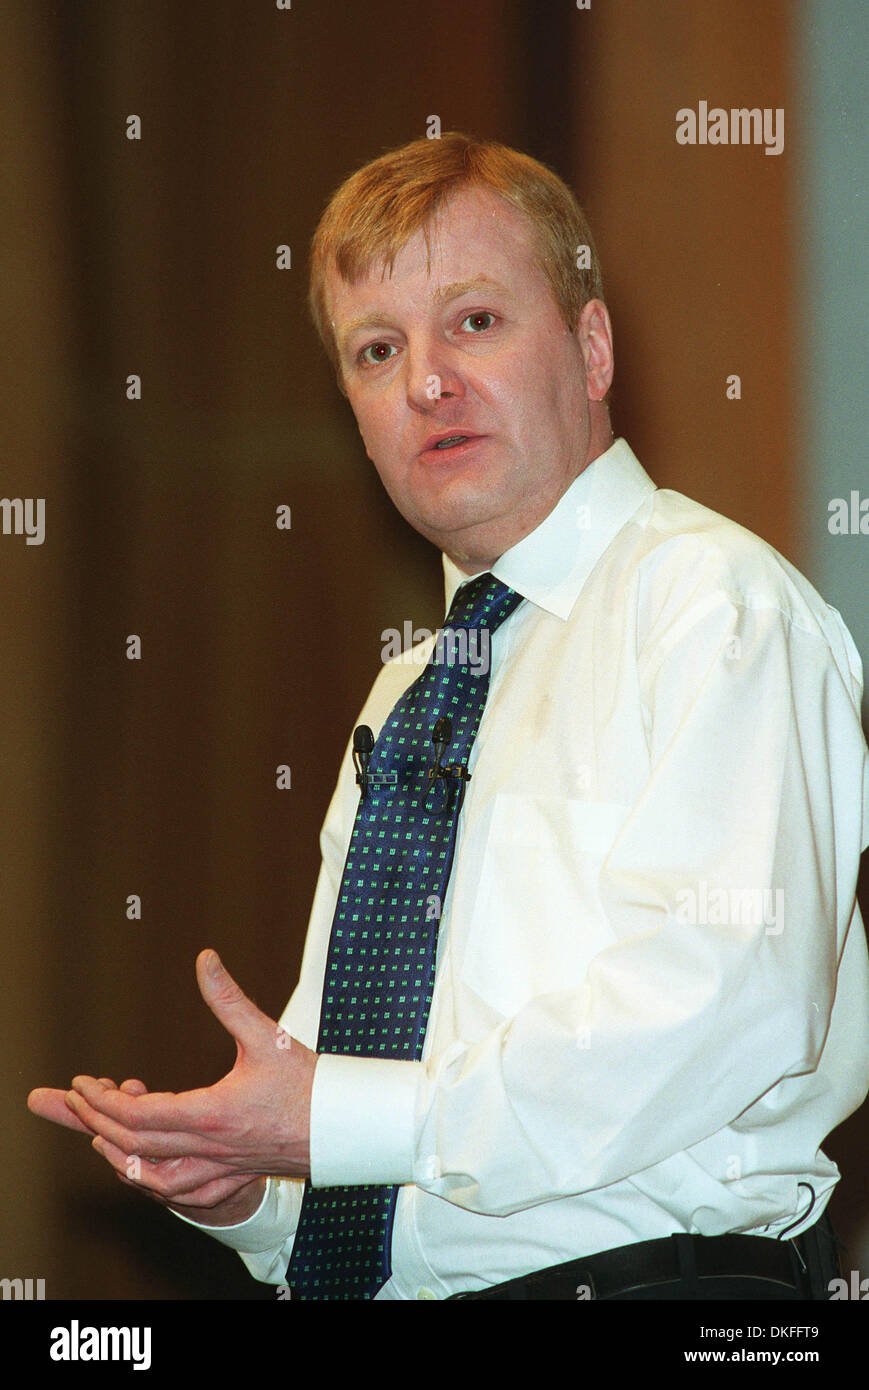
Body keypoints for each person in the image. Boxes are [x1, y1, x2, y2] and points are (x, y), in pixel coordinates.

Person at [28, 132, 869, 1301]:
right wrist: (249, 1189)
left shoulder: (708, 604)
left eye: (472, 321)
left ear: (588, 348)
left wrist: (337, 1118)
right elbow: (354, 1120)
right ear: (356, 416)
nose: (425, 380)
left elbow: (724, 1004)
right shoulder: (410, 690)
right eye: (378, 350)